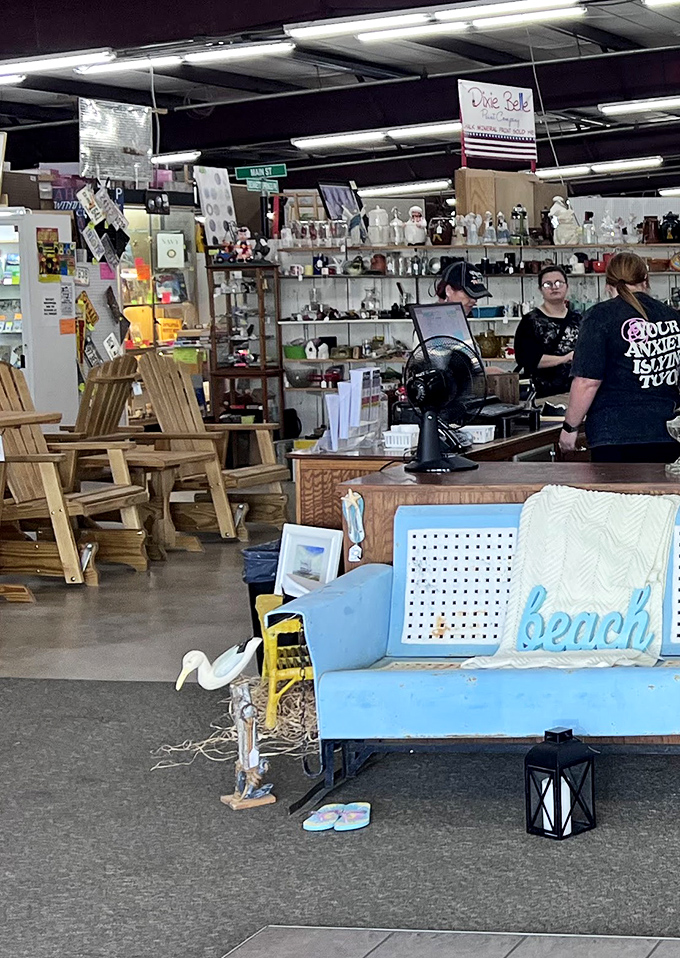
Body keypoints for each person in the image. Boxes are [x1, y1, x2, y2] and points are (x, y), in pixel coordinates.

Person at [560, 251, 680, 463]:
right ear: (646, 280)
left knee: (615, 496)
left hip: (614, 432)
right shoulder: (672, 317)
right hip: (665, 430)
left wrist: (570, 427)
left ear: (608, 284)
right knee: (662, 496)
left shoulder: (600, 316)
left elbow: (587, 381)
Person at [514, 265, 582, 398]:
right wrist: (564, 359)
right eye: (547, 284)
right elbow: (526, 359)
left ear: (567, 286)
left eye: (559, 283)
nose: (554, 287)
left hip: (575, 393)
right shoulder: (530, 321)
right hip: (541, 395)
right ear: (540, 289)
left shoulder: (579, 319)